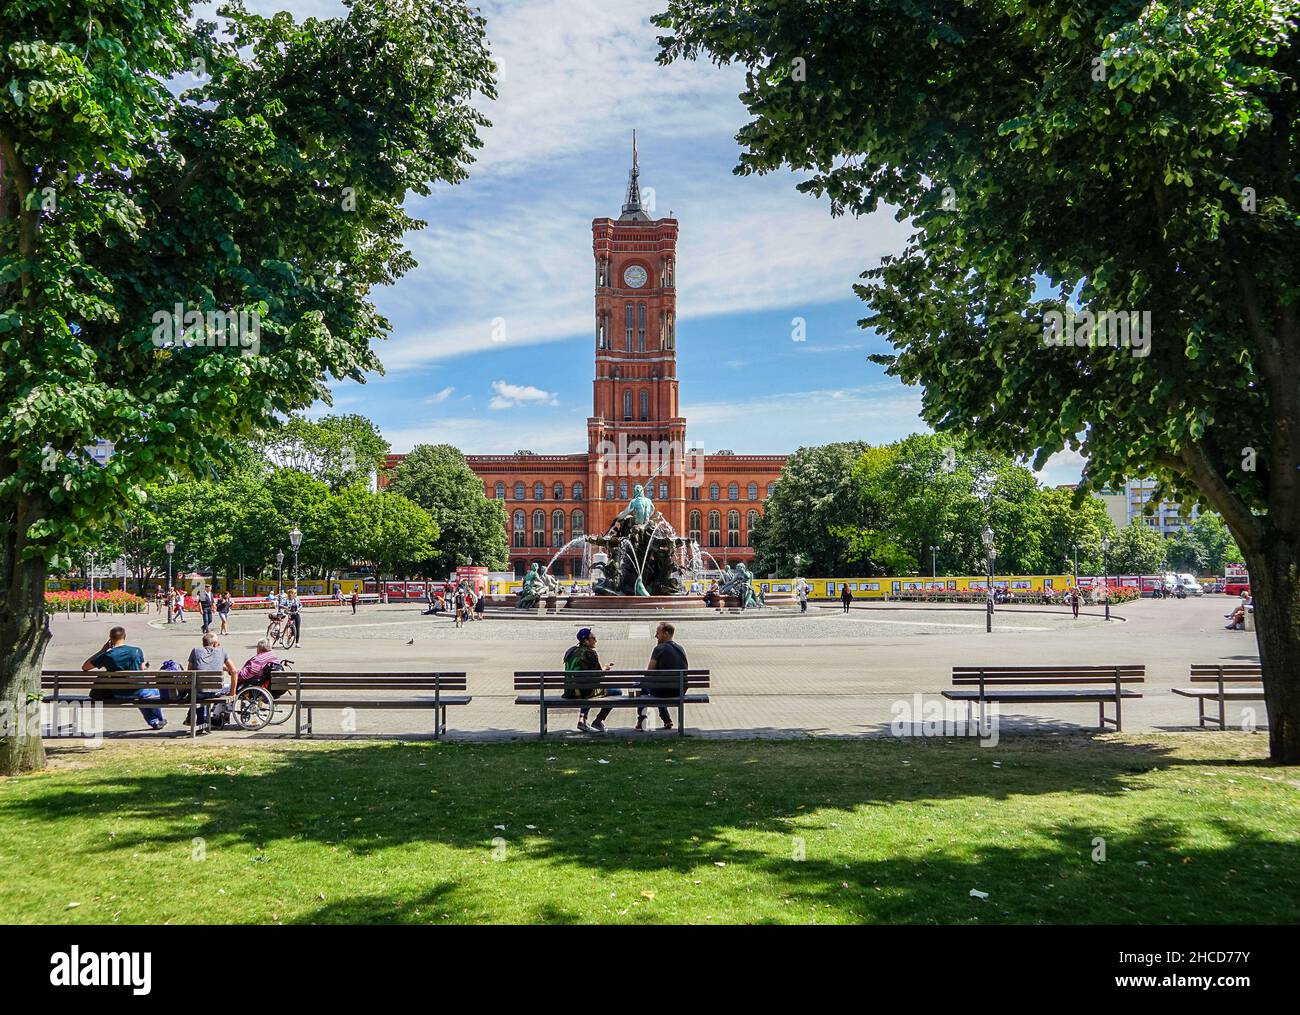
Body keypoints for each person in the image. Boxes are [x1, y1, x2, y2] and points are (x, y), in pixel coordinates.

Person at [81, 626, 167, 730]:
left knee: (143, 694)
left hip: (118, 693)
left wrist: (102, 651)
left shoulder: (107, 655)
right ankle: (158, 720)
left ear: (110, 638)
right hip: (137, 690)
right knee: (151, 693)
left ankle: (155, 721)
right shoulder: (136, 651)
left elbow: (85, 667)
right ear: (125, 636)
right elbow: (142, 668)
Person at [563, 628, 618, 733]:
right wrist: (605, 669)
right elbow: (599, 677)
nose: (595, 641)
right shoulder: (590, 653)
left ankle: (582, 720)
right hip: (583, 692)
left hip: (569, 691)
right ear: (586, 641)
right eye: (593, 638)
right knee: (616, 693)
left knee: (586, 686)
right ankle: (598, 720)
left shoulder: (570, 651)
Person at [636, 622, 686, 732]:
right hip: (679, 691)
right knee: (659, 684)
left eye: (658, 633)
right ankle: (666, 719)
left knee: (642, 686)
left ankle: (641, 721)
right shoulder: (681, 648)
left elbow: (649, 672)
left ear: (666, 634)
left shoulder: (659, 649)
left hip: (663, 690)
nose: (655, 636)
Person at [185, 633, 239, 727]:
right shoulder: (222, 651)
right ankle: (201, 721)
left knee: (197, 691)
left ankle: (197, 719)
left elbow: (189, 672)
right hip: (216, 692)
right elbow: (234, 671)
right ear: (215, 643)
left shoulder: (195, 651)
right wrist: (232, 693)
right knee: (203, 692)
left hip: (198, 693)